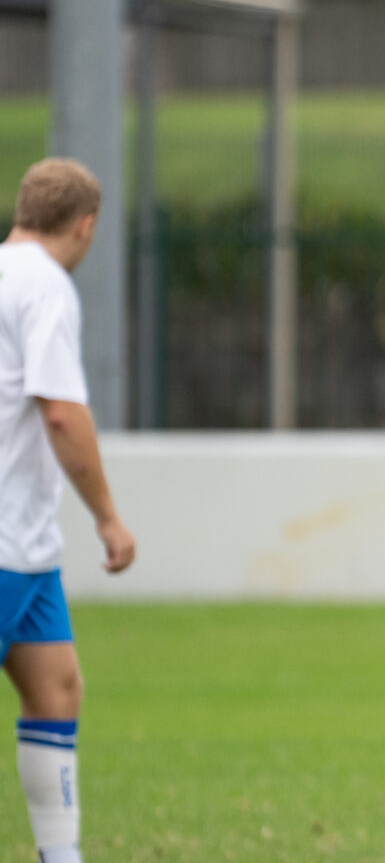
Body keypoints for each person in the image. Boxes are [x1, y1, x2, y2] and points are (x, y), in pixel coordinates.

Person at [1, 157, 136, 863]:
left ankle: (62, 858)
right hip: (4, 545)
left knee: (56, 688)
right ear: (85, 226)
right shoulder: (45, 286)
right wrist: (108, 516)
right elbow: (61, 413)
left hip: (25, 547)